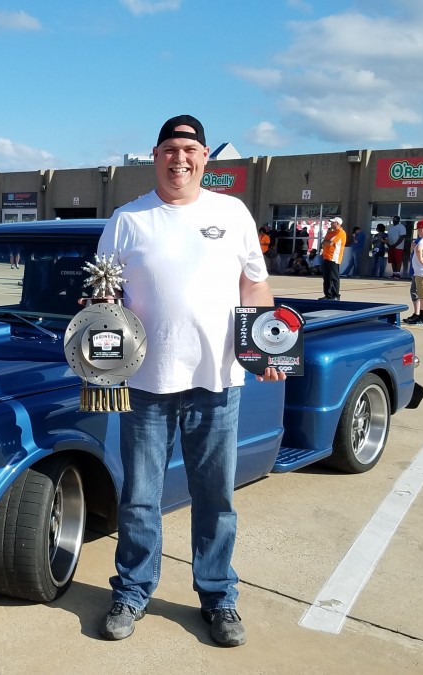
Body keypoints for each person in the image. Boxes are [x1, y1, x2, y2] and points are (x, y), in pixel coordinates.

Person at [96, 114, 283, 649]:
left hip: (217, 380)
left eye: (190, 150)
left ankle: (218, 597)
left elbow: (254, 285)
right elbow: (105, 297)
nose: (180, 159)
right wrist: (100, 342)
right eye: (170, 149)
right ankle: (132, 591)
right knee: (139, 497)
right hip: (146, 383)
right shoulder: (128, 220)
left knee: (215, 497)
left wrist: (266, 345)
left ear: (205, 158)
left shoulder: (232, 212)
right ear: (155, 156)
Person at [320, 216, 345, 300]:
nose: (331, 223)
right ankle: (328, 295)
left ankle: (335, 295)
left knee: (334, 277)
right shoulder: (330, 232)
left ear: (337, 223)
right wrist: (326, 241)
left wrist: (326, 242)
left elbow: (330, 243)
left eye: (333, 222)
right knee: (326, 277)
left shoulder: (340, 233)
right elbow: (323, 243)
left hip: (334, 257)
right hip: (326, 256)